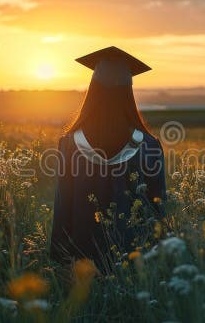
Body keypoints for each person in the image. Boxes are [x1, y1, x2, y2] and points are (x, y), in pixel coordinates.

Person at [50, 46, 167, 271]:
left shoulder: (69, 144)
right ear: (128, 94)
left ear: (93, 91)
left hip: (81, 265)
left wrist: (60, 259)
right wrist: (158, 262)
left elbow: (62, 207)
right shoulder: (149, 146)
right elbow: (158, 210)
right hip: (135, 265)